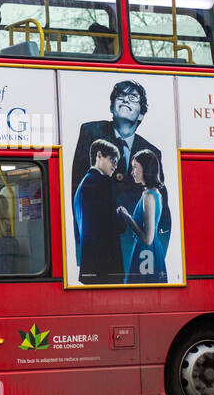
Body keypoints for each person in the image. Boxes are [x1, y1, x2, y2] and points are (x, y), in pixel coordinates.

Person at [70, 80, 164, 273]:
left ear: (142, 113)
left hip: (139, 252)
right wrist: (81, 252)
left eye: (133, 98)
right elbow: (78, 198)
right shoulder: (89, 131)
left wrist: (155, 254)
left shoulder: (153, 151)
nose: (125, 100)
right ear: (111, 107)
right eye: (120, 96)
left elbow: (163, 216)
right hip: (101, 251)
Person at [73, 139, 125, 284]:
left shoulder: (80, 188)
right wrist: (122, 216)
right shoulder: (104, 182)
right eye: (113, 160)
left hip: (89, 268)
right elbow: (117, 226)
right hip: (107, 269)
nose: (115, 166)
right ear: (99, 155)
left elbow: (78, 234)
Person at [116, 149, 170, 284]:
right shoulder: (155, 193)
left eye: (135, 167)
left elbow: (148, 239)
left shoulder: (148, 196)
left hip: (146, 253)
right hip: (149, 253)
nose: (132, 172)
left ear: (145, 168)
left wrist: (127, 217)